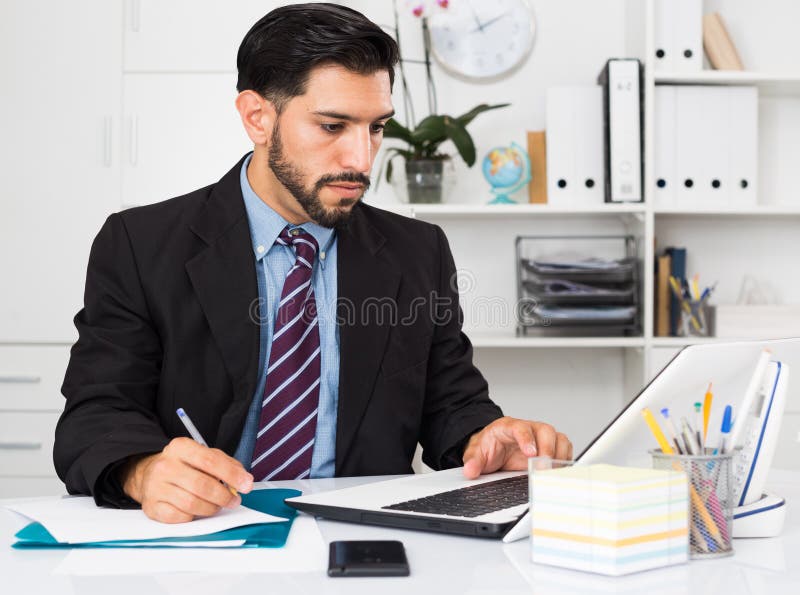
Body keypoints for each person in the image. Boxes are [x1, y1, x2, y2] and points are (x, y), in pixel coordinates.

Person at [54, 3, 572, 524]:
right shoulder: (141, 243)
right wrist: (143, 470)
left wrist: (486, 437)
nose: (361, 159)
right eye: (332, 126)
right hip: (208, 528)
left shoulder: (420, 251)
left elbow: (451, 406)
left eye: (375, 128)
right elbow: (96, 413)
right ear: (258, 117)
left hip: (363, 536)